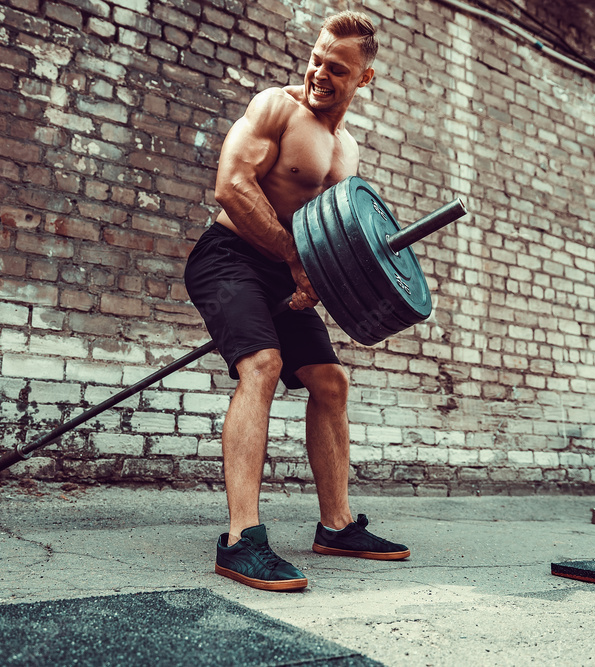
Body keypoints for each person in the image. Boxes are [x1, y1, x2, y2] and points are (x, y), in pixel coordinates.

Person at [183, 10, 409, 592]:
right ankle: (240, 540)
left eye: (337, 68)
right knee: (262, 364)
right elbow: (231, 186)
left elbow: (330, 238)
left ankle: (336, 525)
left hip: (286, 269)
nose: (319, 74)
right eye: (316, 59)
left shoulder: (347, 152)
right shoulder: (275, 108)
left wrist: (329, 278)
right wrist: (293, 258)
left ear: (365, 79)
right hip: (228, 255)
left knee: (330, 382)